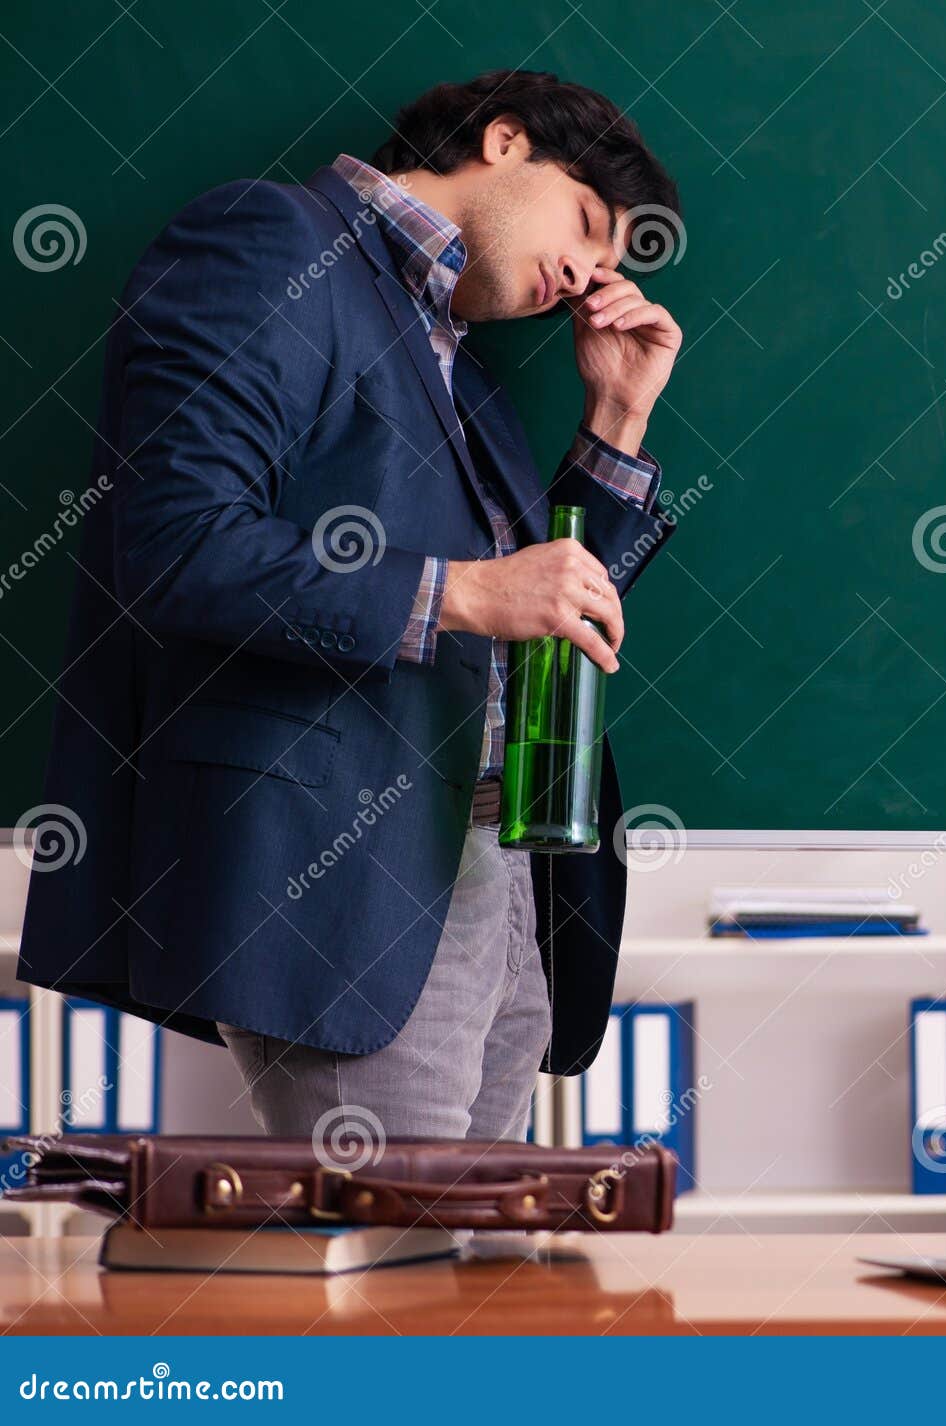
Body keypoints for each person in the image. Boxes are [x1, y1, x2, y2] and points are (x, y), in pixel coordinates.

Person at [18, 69, 682, 1145]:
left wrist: (615, 417)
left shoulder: (455, 359)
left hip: (497, 867)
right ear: (506, 143)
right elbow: (179, 543)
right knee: (402, 1272)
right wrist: (464, 590)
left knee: (480, 1275)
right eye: (589, 224)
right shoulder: (270, 242)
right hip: (351, 885)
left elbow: (549, 609)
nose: (586, 273)